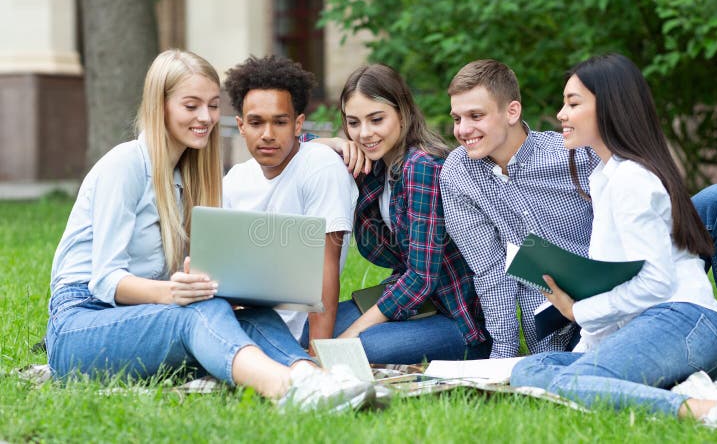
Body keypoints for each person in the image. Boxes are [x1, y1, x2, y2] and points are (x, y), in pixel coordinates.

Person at [45, 49, 371, 411]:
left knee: (253, 313)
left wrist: (320, 146)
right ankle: (287, 389)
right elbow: (105, 281)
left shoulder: (193, 178)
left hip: (143, 318)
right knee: (196, 310)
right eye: (191, 106)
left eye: (213, 105)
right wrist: (176, 293)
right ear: (161, 106)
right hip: (81, 324)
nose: (205, 117)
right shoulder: (126, 165)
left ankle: (314, 379)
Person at [440, 59, 717, 359]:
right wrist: (503, 355)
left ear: (511, 112)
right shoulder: (458, 173)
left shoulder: (574, 150)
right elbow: (490, 269)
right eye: (457, 118)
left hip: (630, 281)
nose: (463, 130)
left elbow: (642, 204)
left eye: (475, 116)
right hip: (560, 318)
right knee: (570, 362)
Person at [508, 52, 717, 428]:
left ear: (609, 107)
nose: (561, 114)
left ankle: (711, 411)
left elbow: (655, 283)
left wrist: (575, 312)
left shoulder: (631, 180)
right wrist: (588, 346)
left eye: (573, 103)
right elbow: (619, 291)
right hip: (650, 328)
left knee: (572, 382)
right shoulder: (605, 178)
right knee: (532, 370)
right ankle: (711, 377)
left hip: (680, 319)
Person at [310, 64, 491, 363]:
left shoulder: (422, 167)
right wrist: (335, 143)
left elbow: (421, 277)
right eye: (353, 123)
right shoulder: (376, 165)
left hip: (456, 318)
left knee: (351, 349)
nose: (364, 133)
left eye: (376, 119)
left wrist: (350, 333)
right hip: (414, 305)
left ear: (403, 112)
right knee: (309, 332)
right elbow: (294, 149)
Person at [221, 55, 358, 348]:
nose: (267, 135)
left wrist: (317, 353)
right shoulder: (234, 180)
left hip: (309, 324)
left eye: (279, 122)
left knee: (374, 346)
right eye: (256, 122)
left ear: (298, 124)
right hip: (252, 323)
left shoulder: (320, 165)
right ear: (241, 126)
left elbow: (325, 267)